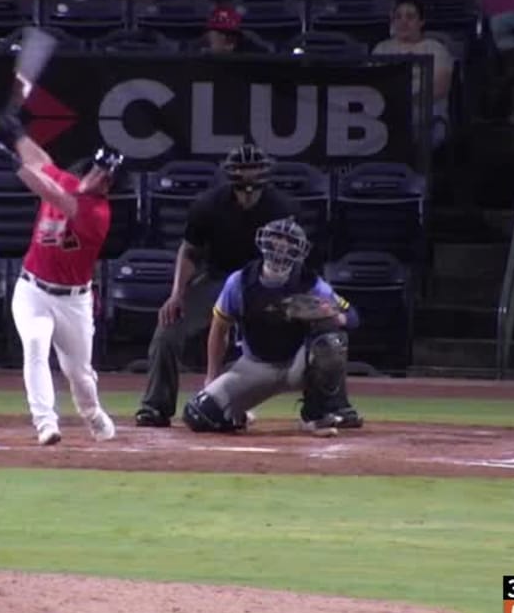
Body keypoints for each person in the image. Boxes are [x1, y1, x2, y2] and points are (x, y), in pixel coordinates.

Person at [135, 145, 364, 429]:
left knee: (329, 335)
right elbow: (190, 251)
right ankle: (155, 406)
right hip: (224, 279)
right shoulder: (208, 205)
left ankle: (331, 406)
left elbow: (344, 310)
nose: (248, 178)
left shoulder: (282, 209)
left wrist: (327, 312)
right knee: (168, 329)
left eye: (254, 170)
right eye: (242, 171)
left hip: (274, 281)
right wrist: (177, 294)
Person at [0, 81, 121, 446]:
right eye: (99, 172)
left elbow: (52, 193)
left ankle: (92, 414)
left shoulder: (96, 213)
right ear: (88, 168)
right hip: (32, 289)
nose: (101, 180)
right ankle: (45, 422)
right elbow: (39, 161)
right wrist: (14, 131)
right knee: (34, 343)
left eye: (107, 179)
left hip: (73, 301)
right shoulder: (67, 178)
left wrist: (10, 160)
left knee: (79, 373)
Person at [183, 218, 359, 438]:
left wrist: (333, 316)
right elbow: (219, 329)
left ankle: (317, 414)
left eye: (288, 242)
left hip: (298, 365)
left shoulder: (310, 283)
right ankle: (239, 415)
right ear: (265, 243)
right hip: (255, 365)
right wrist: (211, 376)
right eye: (277, 240)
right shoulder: (240, 282)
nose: (282, 247)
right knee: (198, 414)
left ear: (299, 250)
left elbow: (352, 317)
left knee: (332, 340)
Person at [373, 0, 455, 146]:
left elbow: (440, 89)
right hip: (386, 112)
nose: (403, 22)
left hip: (425, 115)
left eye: (410, 17)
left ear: (421, 22)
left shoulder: (435, 48)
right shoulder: (381, 49)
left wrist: (404, 102)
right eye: (398, 17)